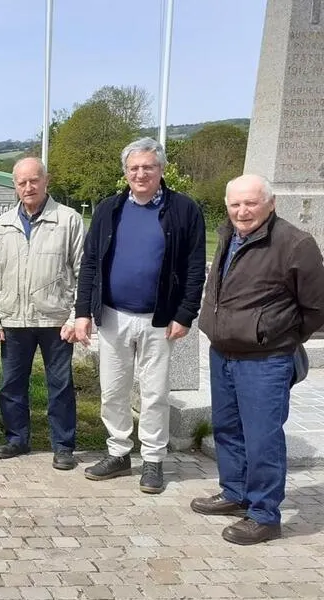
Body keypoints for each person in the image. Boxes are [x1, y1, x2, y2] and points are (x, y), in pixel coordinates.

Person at [192, 174, 324, 545]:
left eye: (251, 203)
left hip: (265, 360)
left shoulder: (295, 244)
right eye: (235, 204)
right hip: (223, 353)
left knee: (262, 438)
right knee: (227, 429)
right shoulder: (229, 235)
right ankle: (235, 493)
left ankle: (265, 514)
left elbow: (316, 308)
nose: (242, 211)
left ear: (271, 203)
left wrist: (276, 335)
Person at [74, 137, 206, 494]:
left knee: (154, 393)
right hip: (114, 316)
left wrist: (185, 313)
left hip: (159, 319)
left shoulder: (184, 210)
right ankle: (118, 452)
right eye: (134, 167)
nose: (141, 173)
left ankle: (153, 460)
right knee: (113, 391)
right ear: (125, 172)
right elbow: (90, 263)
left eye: (148, 166)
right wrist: (82, 312)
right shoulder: (109, 209)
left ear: (161, 169)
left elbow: (195, 268)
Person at [0, 157, 84, 470]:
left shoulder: (68, 220)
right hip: (13, 319)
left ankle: (63, 446)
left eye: (34, 180)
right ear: (15, 185)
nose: (28, 187)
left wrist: (75, 317)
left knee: (61, 385)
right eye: (22, 182)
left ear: (46, 180)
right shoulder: (1, 225)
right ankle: (17, 439)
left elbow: (84, 273)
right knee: (11, 384)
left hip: (56, 321)